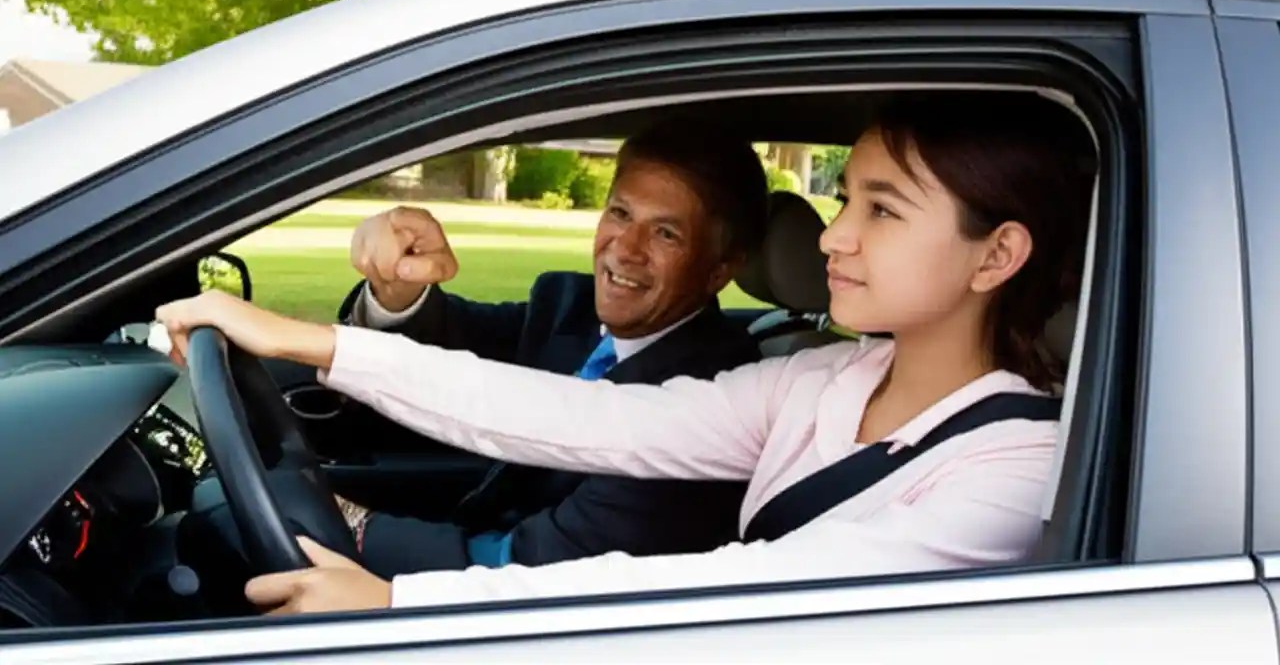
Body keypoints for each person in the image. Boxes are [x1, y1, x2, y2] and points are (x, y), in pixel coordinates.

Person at [156, 90, 1096, 616]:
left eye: (881, 210)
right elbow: (587, 418)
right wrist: (310, 340)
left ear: (999, 254)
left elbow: (745, 594)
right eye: (844, 199)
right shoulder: (824, 377)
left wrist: (400, 607)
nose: (831, 238)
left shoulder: (1018, 466)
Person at [318, 121, 770, 576]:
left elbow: (531, 568)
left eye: (665, 234)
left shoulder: (709, 406)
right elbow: (450, 341)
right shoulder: (566, 307)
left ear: (719, 270)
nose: (625, 249)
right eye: (620, 214)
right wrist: (397, 288)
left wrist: (357, 528)